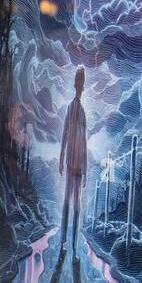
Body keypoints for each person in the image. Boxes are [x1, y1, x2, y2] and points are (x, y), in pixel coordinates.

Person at [58, 64, 88, 256]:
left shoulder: (83, 111)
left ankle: (74, 245)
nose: (80, 85)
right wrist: (61, 158)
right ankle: (63, 242)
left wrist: (85, 169)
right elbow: (64, 134)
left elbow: (84, 142)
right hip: (70, 164)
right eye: (78, 81)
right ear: (75, 84)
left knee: (76, 206)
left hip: (77, 166)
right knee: (67, 204)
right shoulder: (71, 107)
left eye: (82, 82)